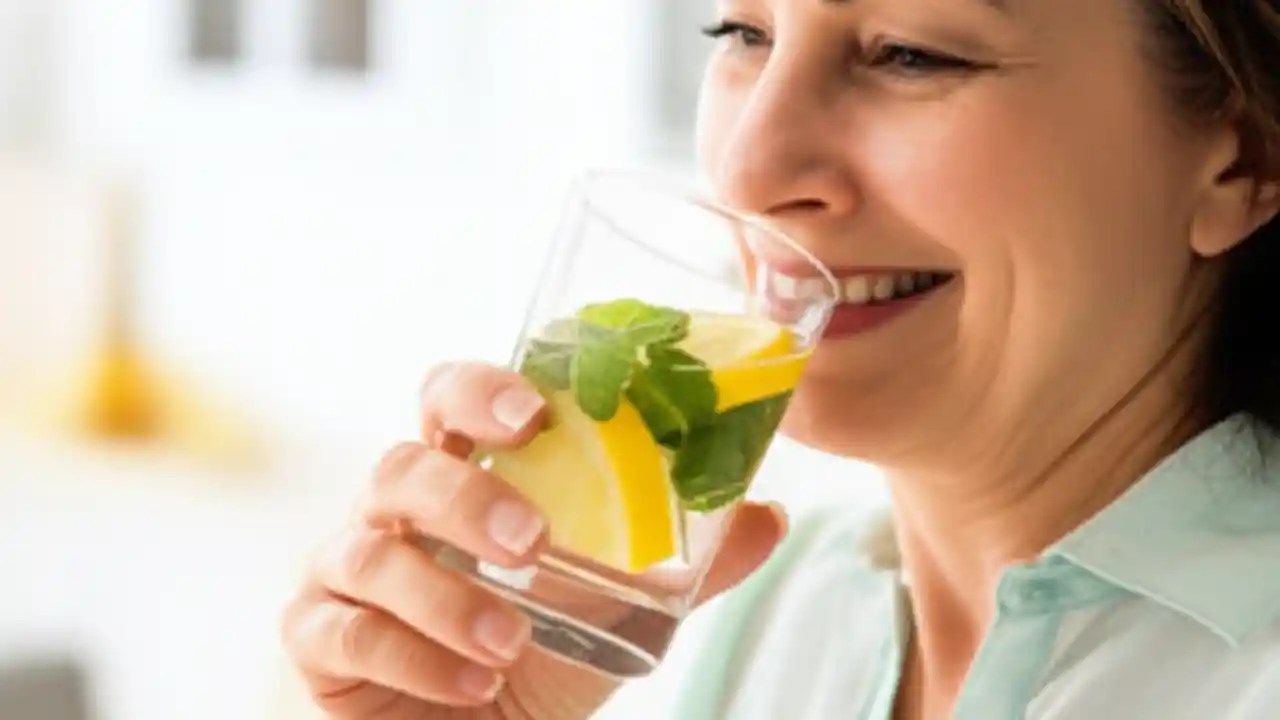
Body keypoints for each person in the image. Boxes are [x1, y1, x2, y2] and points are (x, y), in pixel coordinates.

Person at [280, 0, 1280, 717]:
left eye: (909, 53)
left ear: (1242, 159)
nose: (749, 169)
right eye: (743, 34)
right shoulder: (779, 609)